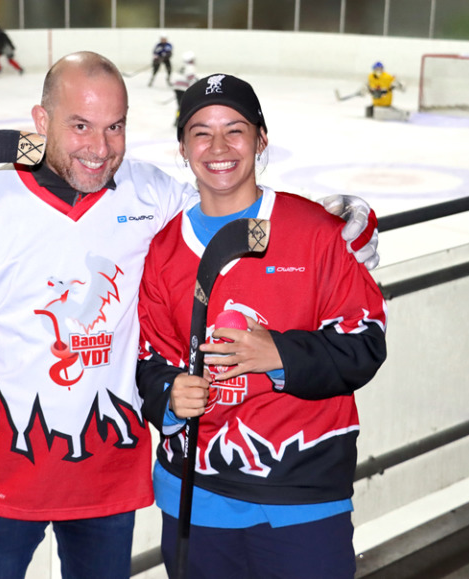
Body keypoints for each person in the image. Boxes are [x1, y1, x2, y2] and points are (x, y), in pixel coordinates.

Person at [0, 53, 380, 579]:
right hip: (4, 476)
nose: (100, 148)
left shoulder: (152, 194)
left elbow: (230, 207)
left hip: (107, 475)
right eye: (80, 126)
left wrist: (335, 227)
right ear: (42, 120)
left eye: (114, 127)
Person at [136, 74, 388, 578]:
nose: (219, 147)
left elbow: (364, 345)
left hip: (303, 498)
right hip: (194, 494)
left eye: (235, 130)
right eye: (201, 133)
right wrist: (169, 395)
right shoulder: (164, 249)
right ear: (182, 148)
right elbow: (150, 359)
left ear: (261, 139)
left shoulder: (316, 232)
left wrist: (279, 355)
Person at [172, 51, 198, 126]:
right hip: (184, 89)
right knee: (185, 106)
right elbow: (190, 77)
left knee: (180, 106)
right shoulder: (191, 67)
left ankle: (177, 120)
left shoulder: (182, 66)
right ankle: (181, 121)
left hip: (177, 88)